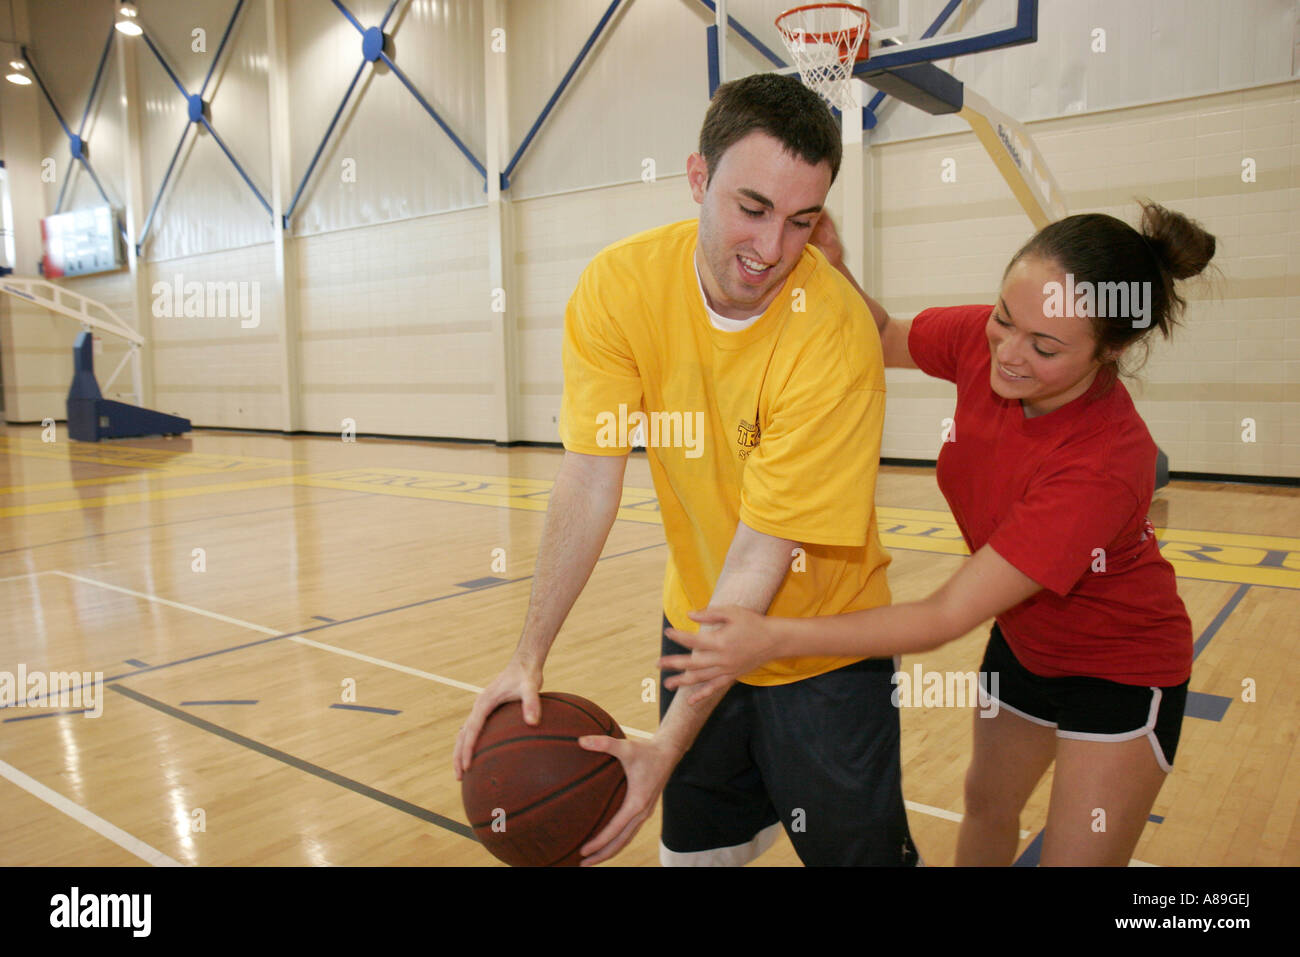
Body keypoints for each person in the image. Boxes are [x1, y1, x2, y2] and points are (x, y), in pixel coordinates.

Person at [452, 73, 920, 867]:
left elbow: (761, 551)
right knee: (696, 860)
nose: (772, 250)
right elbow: (590, 477)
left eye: (802, 220)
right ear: (697, 178)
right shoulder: (619, 288)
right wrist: (528, 653)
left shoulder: (835, 338)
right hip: (697, 624)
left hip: (823, 650)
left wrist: (665, 745)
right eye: (752, 208)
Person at [662, 201, 1217, 866]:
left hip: (1121, 670)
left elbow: (944, 613)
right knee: (986, 805)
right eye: (1003, 321)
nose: (1008, 354)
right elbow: (887, 334)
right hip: (1027, 647)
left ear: (1113, 349)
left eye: (1044, 346)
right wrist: (836, 271)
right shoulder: (983, 344)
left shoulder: (1105, 461)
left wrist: (770, 636)